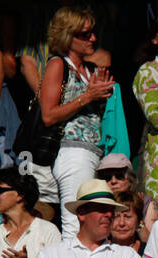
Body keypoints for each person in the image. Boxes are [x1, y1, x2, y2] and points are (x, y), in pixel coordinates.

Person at [38, 7, 112, 240]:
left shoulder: (89, 70)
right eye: (84, 34)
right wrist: (87, 97)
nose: (93, 38)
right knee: (75, 224)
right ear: (67, 37)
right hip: (72, 152)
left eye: (92, 32)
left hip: (93, 152)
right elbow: (48, 115)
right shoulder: (58, 65)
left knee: (91, 224)